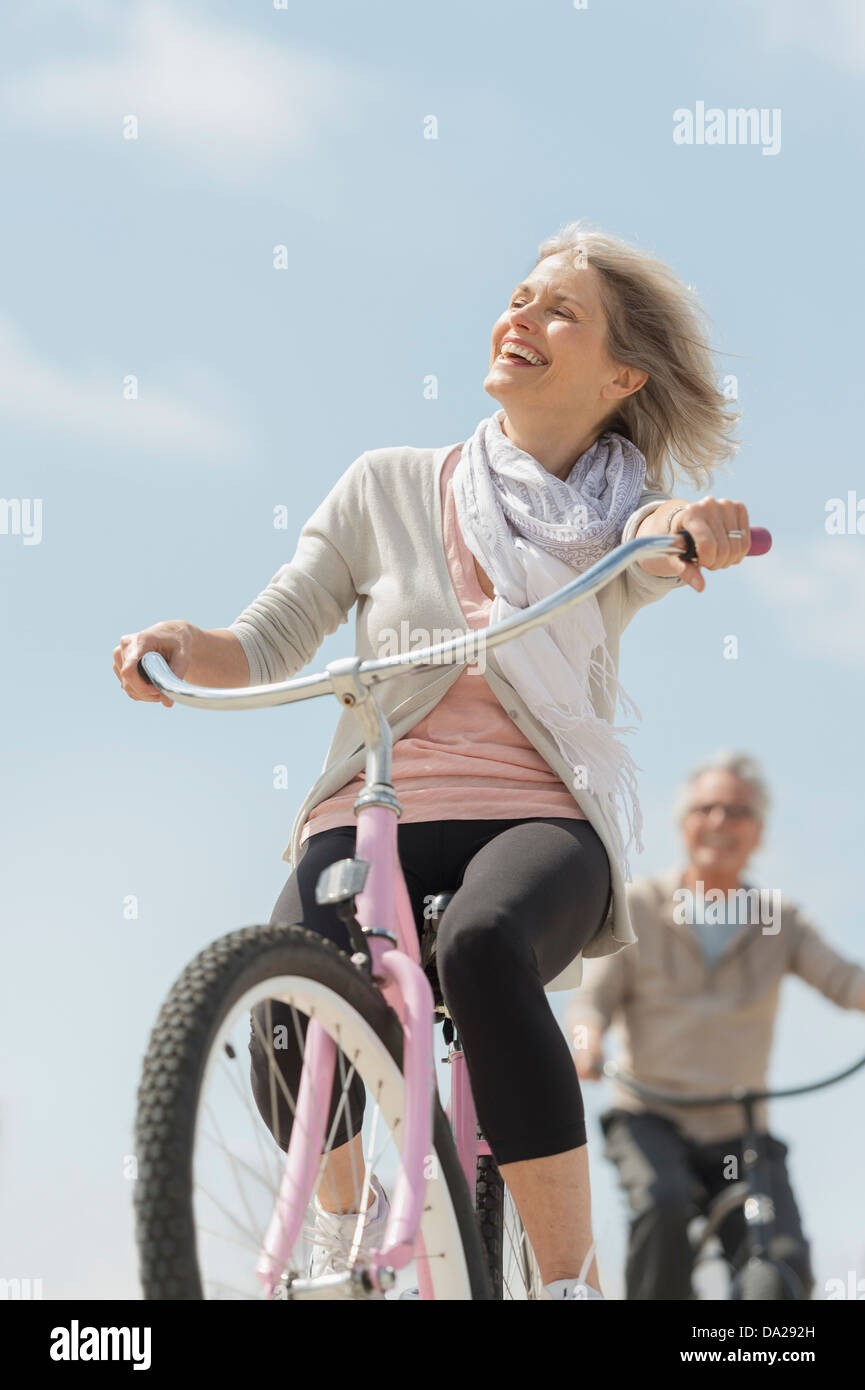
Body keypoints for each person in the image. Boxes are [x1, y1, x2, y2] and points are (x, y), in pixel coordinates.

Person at [114, 219, 752, 1301]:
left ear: (619, 375)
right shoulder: (385, 484)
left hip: (536, 821)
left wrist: (699, 526)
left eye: (561, 310)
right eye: (518, 296)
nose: (521, 316)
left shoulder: (617, 524)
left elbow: (669, 529)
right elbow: (266, 637)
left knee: (485, 944)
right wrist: (187, 644)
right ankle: (339, 1230)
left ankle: (565, 1282)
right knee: (283, 993)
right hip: (367, 809)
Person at [569, 750, 865, 1300]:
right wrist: (586, 1045)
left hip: (740, 1127)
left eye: (737, 812)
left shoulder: (781, 920)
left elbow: (848, 983)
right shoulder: (641, 907)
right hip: (650, 1119)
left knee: (779, 1263)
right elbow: (591, 1002)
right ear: (684, 822)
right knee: (662, 1204)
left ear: (759, 833)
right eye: (707, 808)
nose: (720, 823)